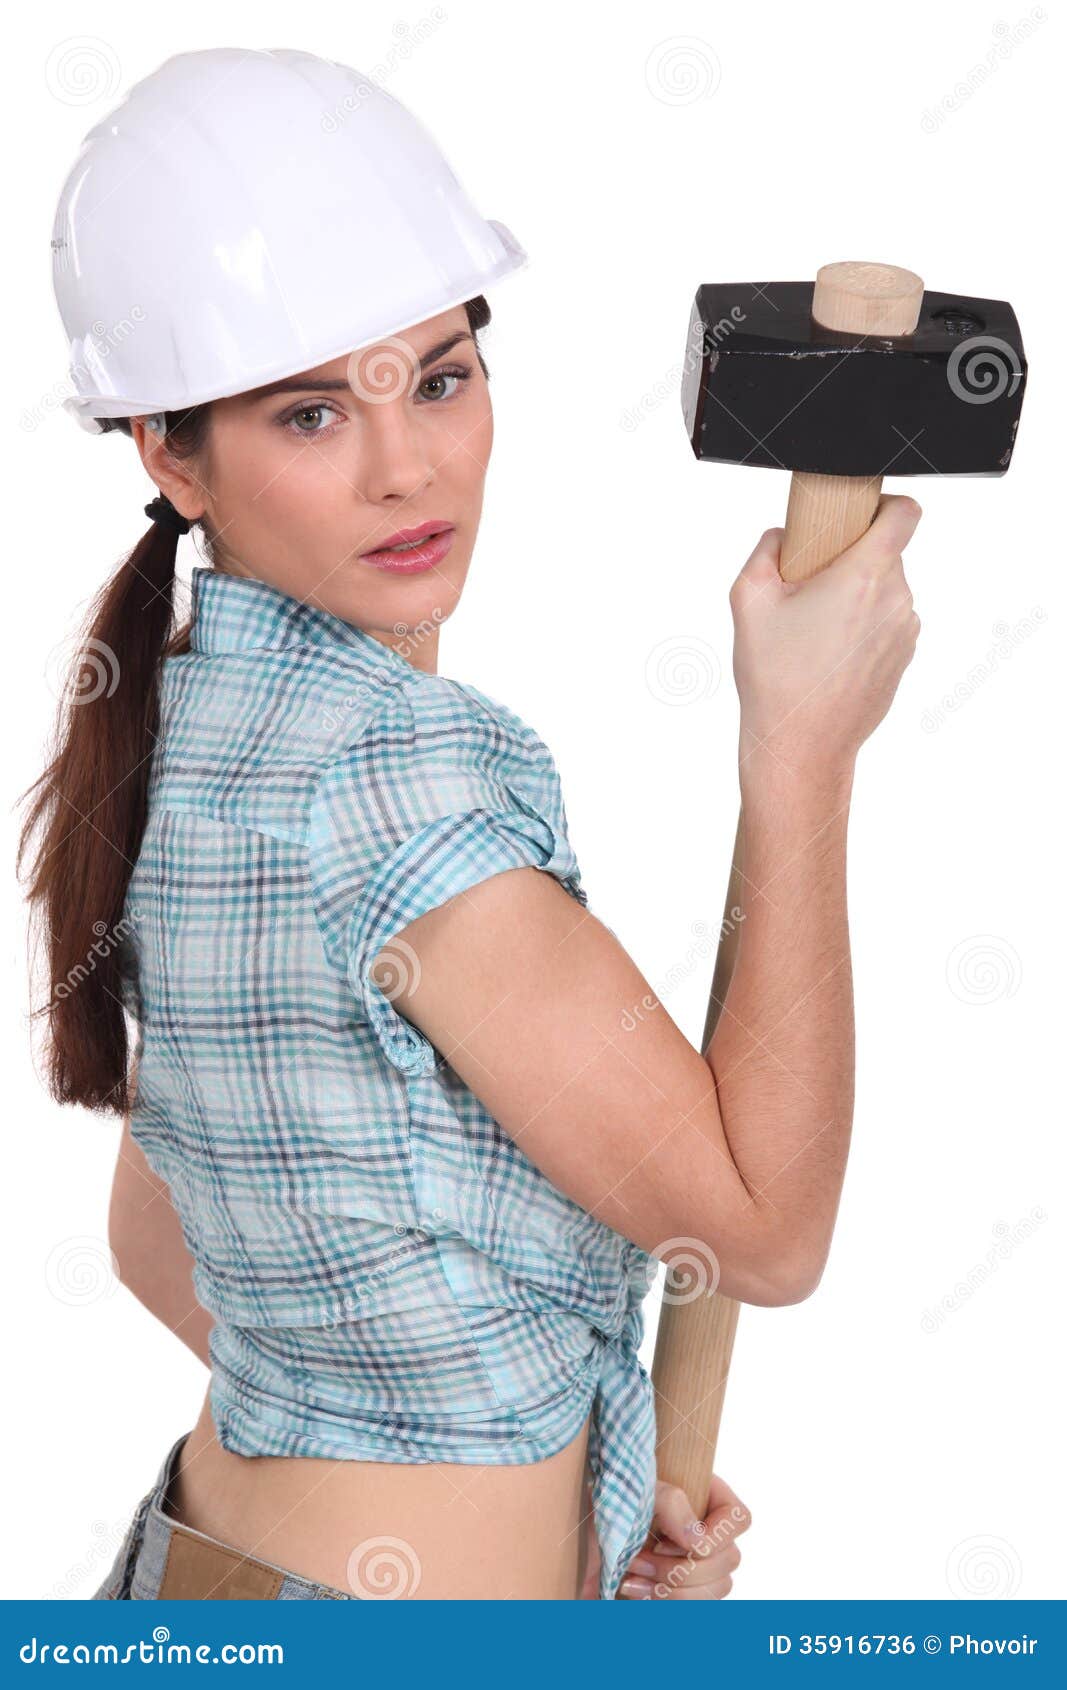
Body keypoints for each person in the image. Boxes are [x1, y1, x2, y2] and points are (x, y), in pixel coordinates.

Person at [20, 48, 920, 1603]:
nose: (409, 467)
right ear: (170, 450)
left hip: (201, 1583)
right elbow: (764, 1233)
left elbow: (165, 1245)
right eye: (312, 413)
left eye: (439, 377)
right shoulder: (397, 772)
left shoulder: (188, 725)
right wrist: (802, 753)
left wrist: (561, 1493)